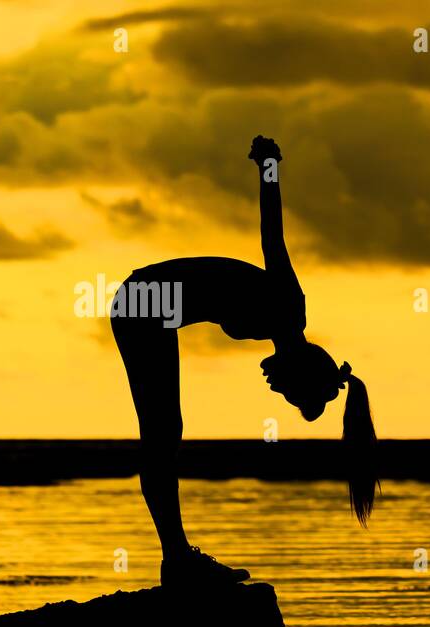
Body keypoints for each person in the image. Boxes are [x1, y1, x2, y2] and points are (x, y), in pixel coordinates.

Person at [110, 135, 377, 587]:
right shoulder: (290, 308)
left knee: (163, 433)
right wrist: (268, 167)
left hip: (145, 306)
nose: (275, 389)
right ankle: (176, 559)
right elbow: (273, 237)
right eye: (288, 393)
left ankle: (176, 557)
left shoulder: (282, 325)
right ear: (301, 370)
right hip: (143, 303)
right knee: (163, 433)